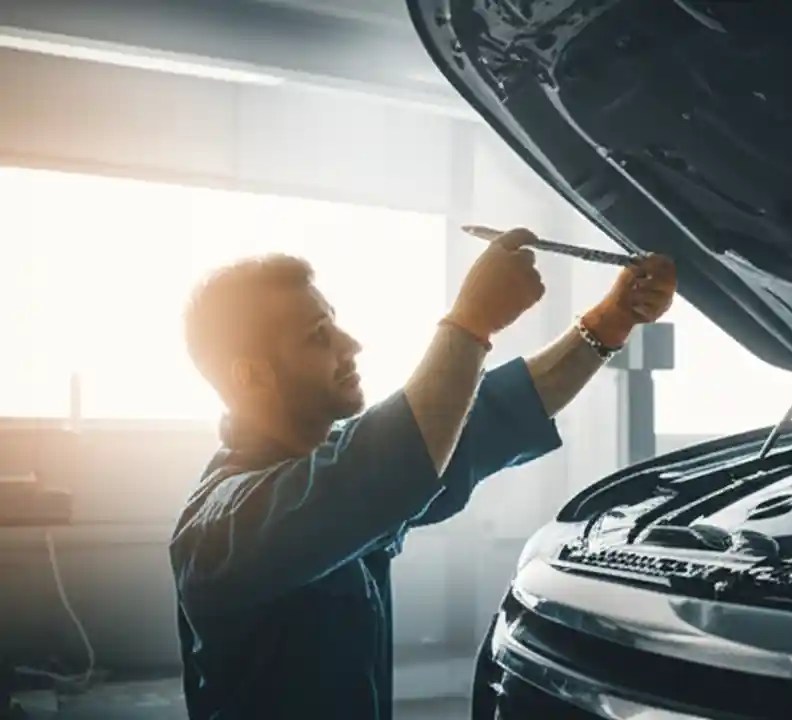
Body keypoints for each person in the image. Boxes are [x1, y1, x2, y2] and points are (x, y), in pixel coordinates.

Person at [169, 228, 677, 719]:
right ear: (251, 374)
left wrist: (611, 320)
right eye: (317, 336)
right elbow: (387, 467)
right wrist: (470, 322)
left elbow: (488, 417)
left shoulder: (329, 472)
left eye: (334, 322)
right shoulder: (227, 525)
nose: (351, 344)